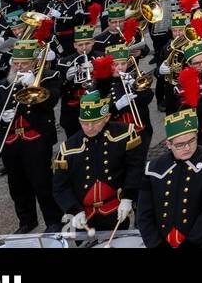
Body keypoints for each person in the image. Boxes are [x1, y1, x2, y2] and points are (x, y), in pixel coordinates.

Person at [0, 37, 62, 233]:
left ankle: (53, 220)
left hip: (36, 139)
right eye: (16, 63)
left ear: (34, 63)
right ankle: (26, 221)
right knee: (17, 186)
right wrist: (1, 117)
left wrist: (33, 86)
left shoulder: (48, 77)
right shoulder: (1, 84)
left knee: (42, 182)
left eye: (24, 64)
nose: (19, 67)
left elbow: (51, 101)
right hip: (10, 141)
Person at [51, 89, 145, 235]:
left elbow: (135, 167)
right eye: (84, 123)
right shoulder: (67, 148)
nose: (89, 128)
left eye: (94, 122)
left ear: (106, 117)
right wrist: (73, 210)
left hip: (115, 209)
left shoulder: (125, 133)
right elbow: (60, 186)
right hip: (84, 216)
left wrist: (128, 197)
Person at [137, 108, 202, 248]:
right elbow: (144, 214)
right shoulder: (153, 168)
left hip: (200, 242)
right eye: (179, 145)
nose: (187, 148)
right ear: (168, 144)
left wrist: (190, 244)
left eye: (192, 141)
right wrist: (156, 245)